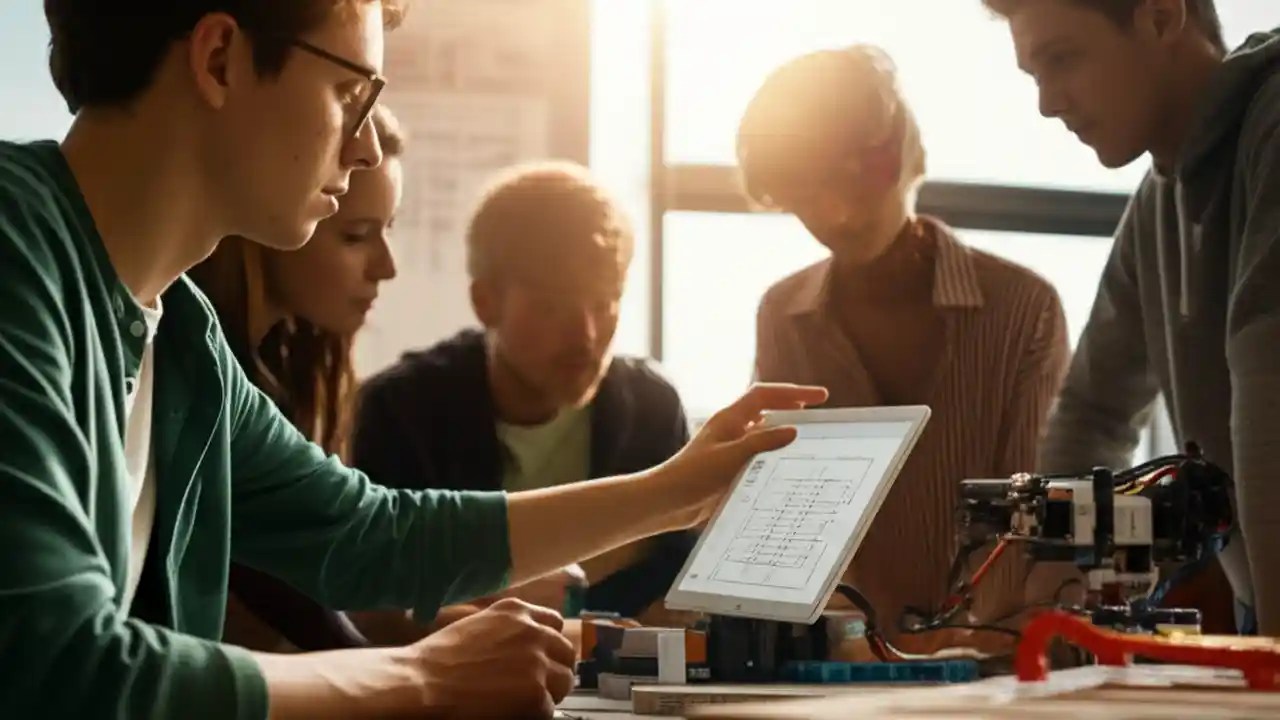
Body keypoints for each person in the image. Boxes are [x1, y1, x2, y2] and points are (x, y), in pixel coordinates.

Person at [0, 2, 829, 718]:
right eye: (350, 93)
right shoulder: (15, 249)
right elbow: (62, 666)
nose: (363, 149)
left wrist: (672, 493)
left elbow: (371, 534)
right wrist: (419, 676)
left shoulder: (182, 336)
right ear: (220, 59)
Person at [740, 44, 1071, 649]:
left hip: (992, 665)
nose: (835, 214)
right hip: (839, 671)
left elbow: (1035, 519)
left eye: (854, 178)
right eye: (805, 194)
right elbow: (789, 520)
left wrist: (960, 647)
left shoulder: (1023, 308)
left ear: (902, 156)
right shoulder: (784, 317)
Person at [982, 0, 1280, 635]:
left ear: (1162, 16)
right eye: (1034, 76)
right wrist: (1055, 580)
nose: (1047, 103)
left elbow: (1273, 384)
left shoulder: (1273, 127)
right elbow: (1094, 408)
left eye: (1062, 60)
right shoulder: (1156, 202)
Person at [351, 161, 696, 633]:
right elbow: (372, 605)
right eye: (552, 307)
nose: (586, 335)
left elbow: (675, 578)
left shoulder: (651, 409)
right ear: (486, 301)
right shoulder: (403, 410)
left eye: (604, 302)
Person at [188, 104, 407, 652]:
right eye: (356, 235)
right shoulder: (203, 379)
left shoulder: (288, 371)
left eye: (388, 230)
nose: (387, 266)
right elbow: (305, 619)